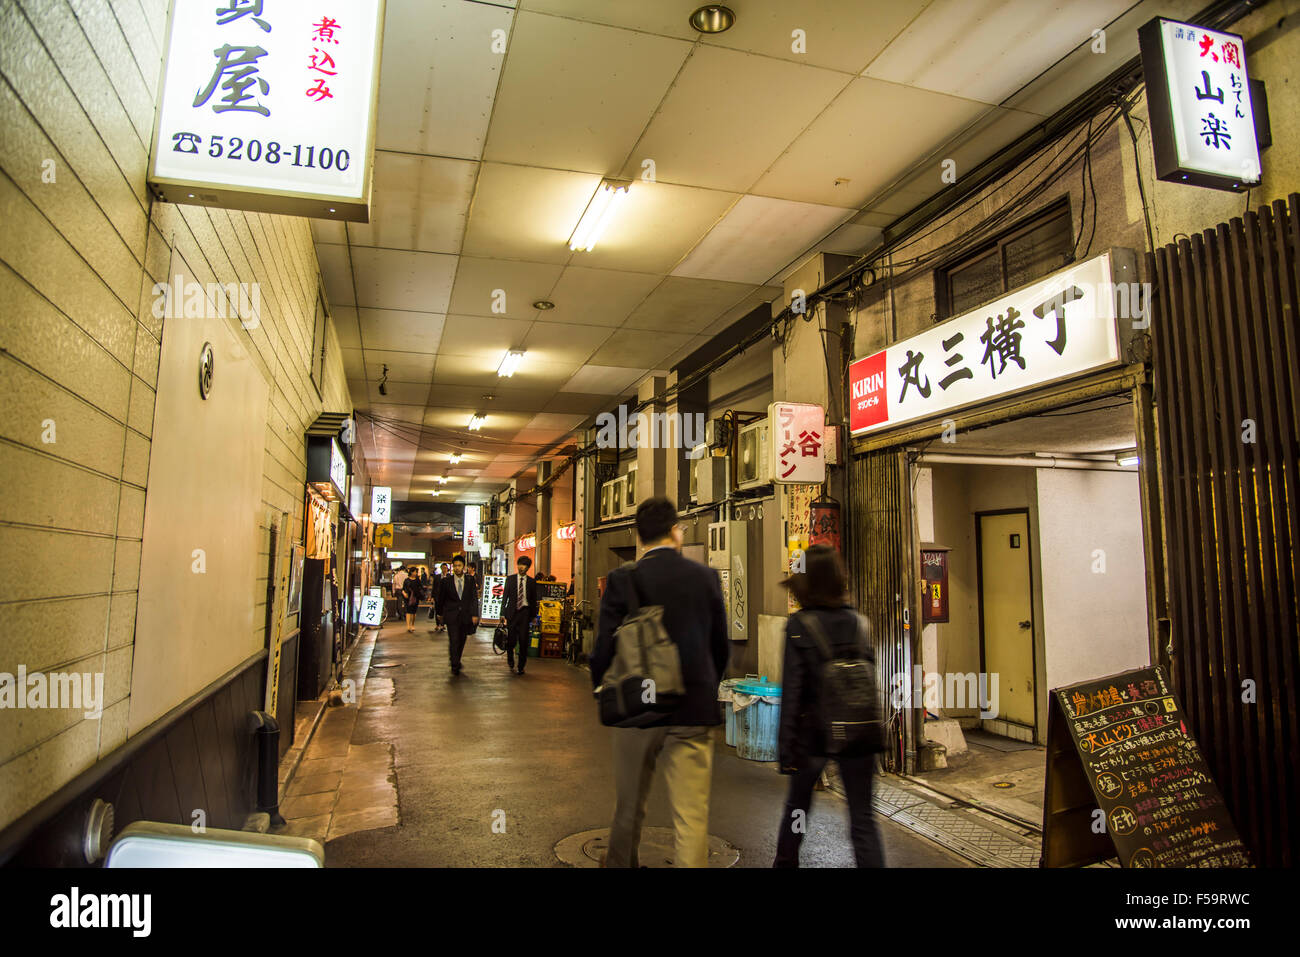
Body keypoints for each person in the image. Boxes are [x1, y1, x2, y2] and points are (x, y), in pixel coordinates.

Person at [591, 496, 729, 868]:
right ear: (675, 532)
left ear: (639, 536)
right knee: (691, 816)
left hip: (637, 706)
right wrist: (707, 687)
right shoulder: (705, 577)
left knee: (629, 807)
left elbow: (603, 645)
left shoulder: (624, 579)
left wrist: (601, 689)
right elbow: (720, 645)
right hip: (693, 710)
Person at [772, 544, 885, 868]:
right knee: (863, 819)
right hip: (858, 732)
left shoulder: (799, 626)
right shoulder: (859, 623)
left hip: (812, 737)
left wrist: (786, 751)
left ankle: (785, 863)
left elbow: (792, 692)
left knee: (798, 810)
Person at [436, 555, 480, 676]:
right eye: (455, 566)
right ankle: (455, 664)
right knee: (454, 639)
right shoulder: (446, 582)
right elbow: (441, 599)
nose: (457, 568)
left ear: (463, 567)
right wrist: (439, 613)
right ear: (452, 567)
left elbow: (474, 598)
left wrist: (475, 614)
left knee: (462, 639)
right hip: (451, 615)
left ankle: (456, 659)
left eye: (459, 565)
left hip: (465, 615)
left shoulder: (470, 580)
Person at [501, 555, 538, 675]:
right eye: (520, 564)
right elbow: (505, 596)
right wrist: (502, 613)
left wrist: (533, 616)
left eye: (524, 565)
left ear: (528, 568)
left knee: (523, 640)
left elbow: (533, 600)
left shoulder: (532, 582)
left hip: (525, 613)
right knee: (511, 640)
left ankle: (521, 666)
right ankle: (510, 658)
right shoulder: (510, 579)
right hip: (512, 612)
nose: (521, 567)